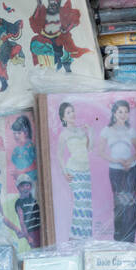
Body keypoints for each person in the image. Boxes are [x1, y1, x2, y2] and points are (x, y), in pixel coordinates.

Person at [98, 99, 136, 243]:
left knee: (132, 205)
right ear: (114, 113)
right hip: (116, 171)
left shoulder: (131, 131)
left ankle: (130, 241)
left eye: (126, 112)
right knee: (120, 205)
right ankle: (119, 240)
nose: (123, 114)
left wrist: (130, 160)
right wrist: (116, 161)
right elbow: (101, 152)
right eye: (120, 111)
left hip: (132, 171)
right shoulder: (107, 130)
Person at [57, 101, 93, 239]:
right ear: (63, 118)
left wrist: (90, 133)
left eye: (72, 111)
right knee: (79, 203)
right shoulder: (64, 134)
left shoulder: (81, 130)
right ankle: (75, 236)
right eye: (68, 112)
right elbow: (59, 155)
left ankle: (86, 236)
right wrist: (64, 172)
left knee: (87, 204)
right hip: (74, 171)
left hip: (86, 170)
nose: (72, 114)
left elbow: (89, 149)